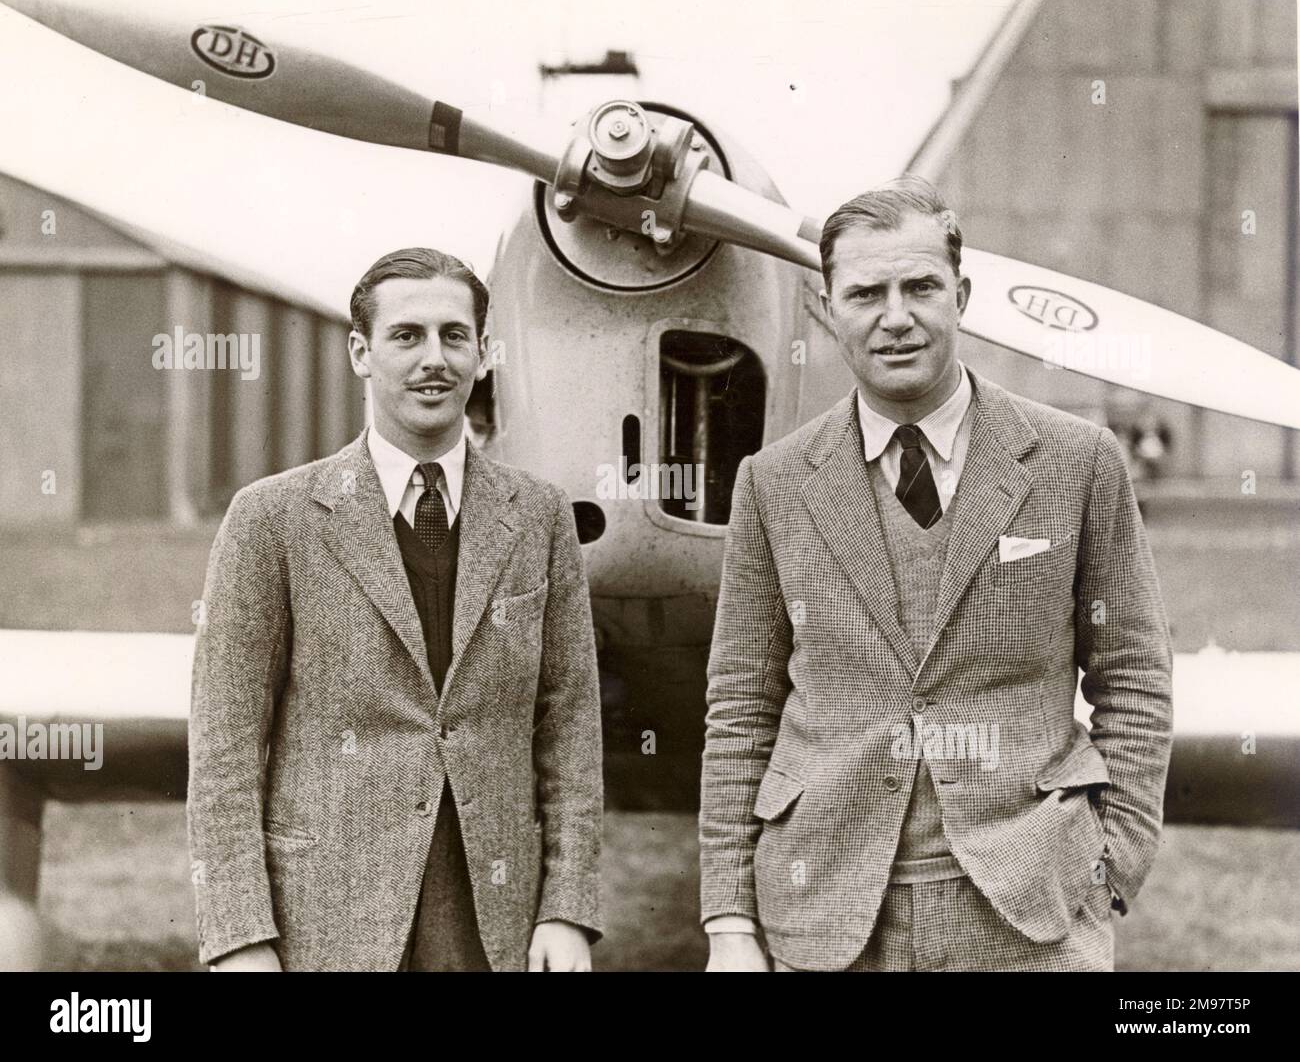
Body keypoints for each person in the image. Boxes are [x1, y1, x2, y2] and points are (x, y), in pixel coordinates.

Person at [699, 176, 1172, 971]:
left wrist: (1110, 864)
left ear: (962, 294)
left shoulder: (1075, 461)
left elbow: (1132, 671)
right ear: (825, 307)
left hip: (1029, 912)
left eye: (920, 286)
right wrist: (727, 919)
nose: (896, 316)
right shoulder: (772, 482)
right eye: (865, 293)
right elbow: (742, 704)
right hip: (827, 915)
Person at [189, 247, 602, 971]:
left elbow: (569, 728)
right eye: (406, 336)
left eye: (454, 335)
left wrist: (566, 908)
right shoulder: (271, 519)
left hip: (491, 925)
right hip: (324, 921)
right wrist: (240, 937)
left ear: (482, 351)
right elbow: (224, 748)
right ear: (361, 351)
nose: (433, 359)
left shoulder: (539, 515)